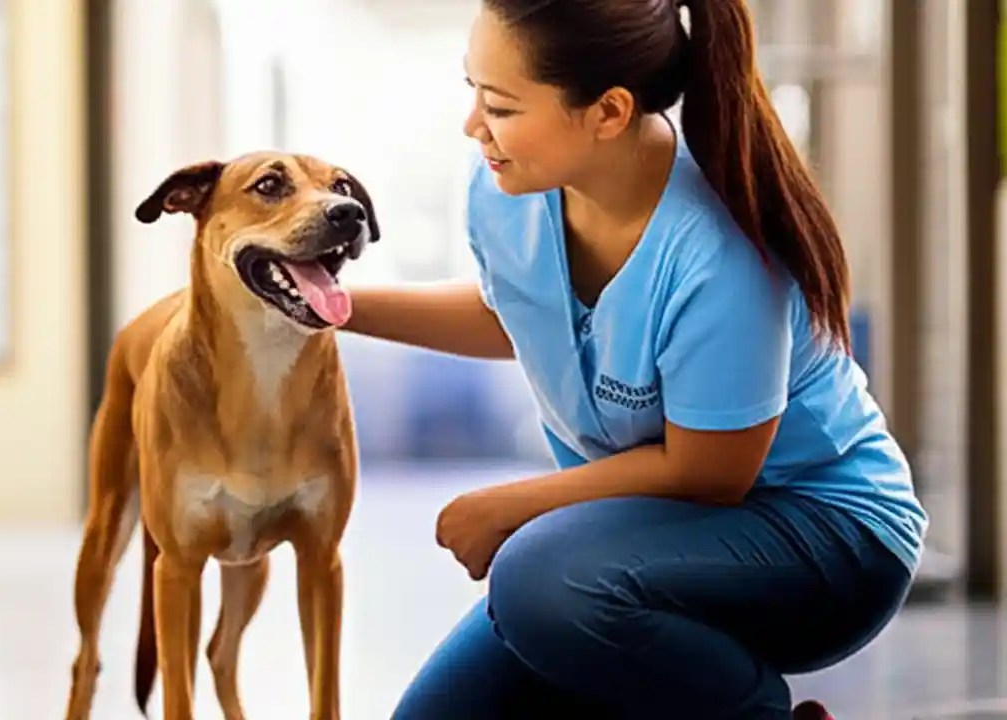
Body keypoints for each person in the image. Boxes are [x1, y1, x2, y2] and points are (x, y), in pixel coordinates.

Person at [339, 0, 927, 718]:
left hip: (825, 541)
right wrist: (340, 310)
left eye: (499, 106)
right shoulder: (507, 190)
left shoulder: (717, 254)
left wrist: (509, 505)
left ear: (609, 112)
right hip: (658, 531)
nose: (474, 127)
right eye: (474, 92)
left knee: (539, 580)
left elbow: (707, 472)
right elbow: (518, 316)